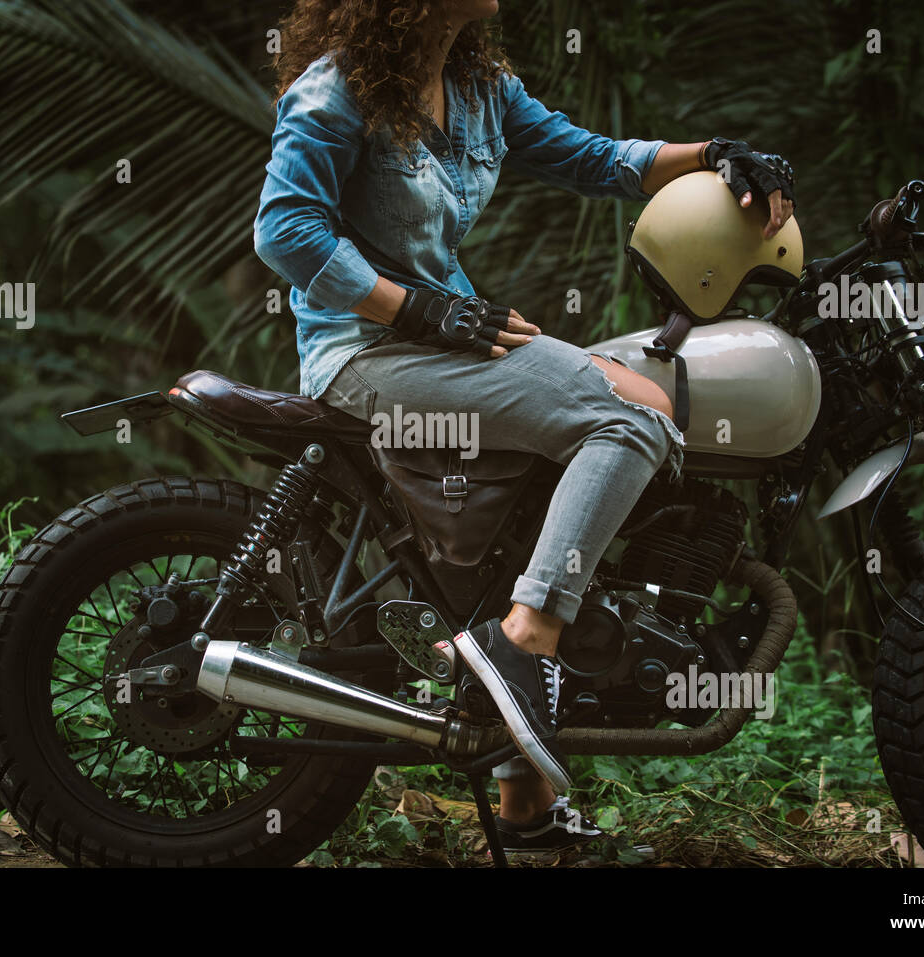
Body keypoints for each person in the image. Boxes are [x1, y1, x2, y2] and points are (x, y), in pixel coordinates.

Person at [253, 0, 796, 852]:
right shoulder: (336, 91)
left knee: (560, 468)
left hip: (447, 335)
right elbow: (284, 231)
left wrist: (715, 156)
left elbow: (597, 159)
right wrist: (419, 312)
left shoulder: (477, 86)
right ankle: (525, 638)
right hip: (365, 353)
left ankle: (524, 801)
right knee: (630, 415)